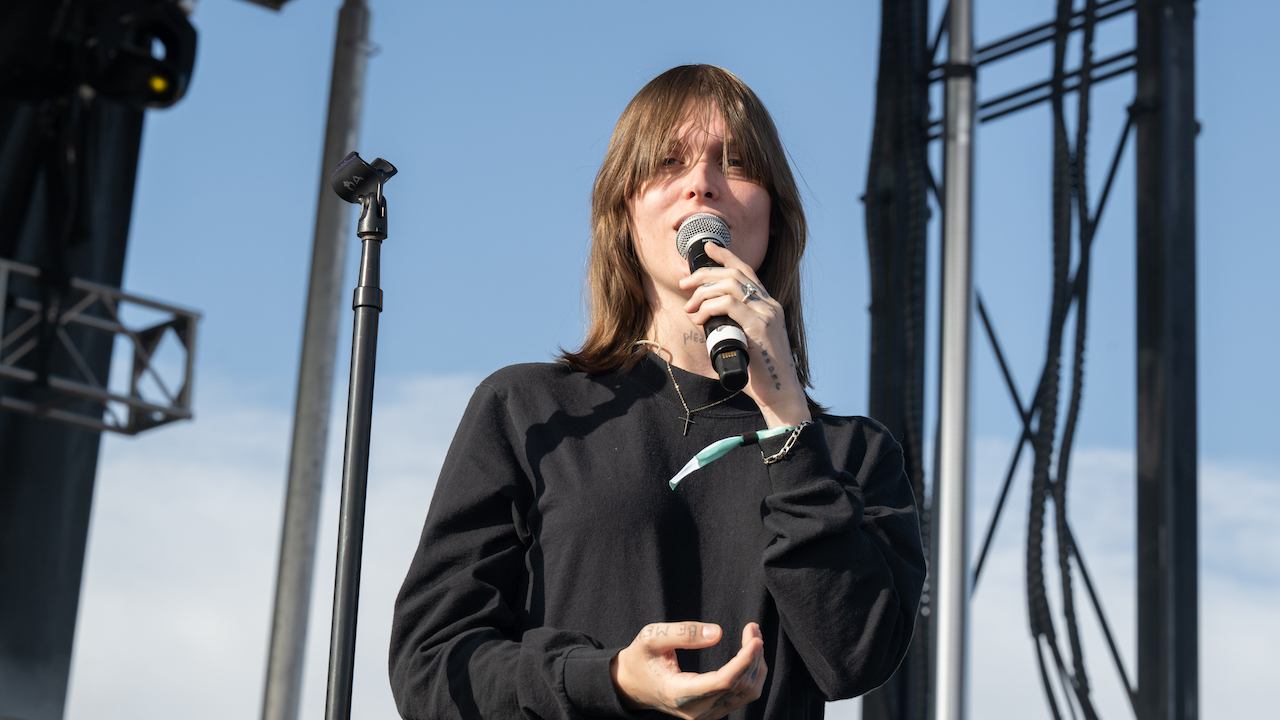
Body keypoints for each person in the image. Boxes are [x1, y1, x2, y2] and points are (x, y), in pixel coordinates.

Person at [389, 64, 925, 720]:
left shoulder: (853, 455)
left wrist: (788, 422)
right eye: (669, 162)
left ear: (775, 217)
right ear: (624, 210)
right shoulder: (531, 412)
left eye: (735, 163)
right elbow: (431, 667)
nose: (702, 183)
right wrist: (606, 678)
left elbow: (853, 661)